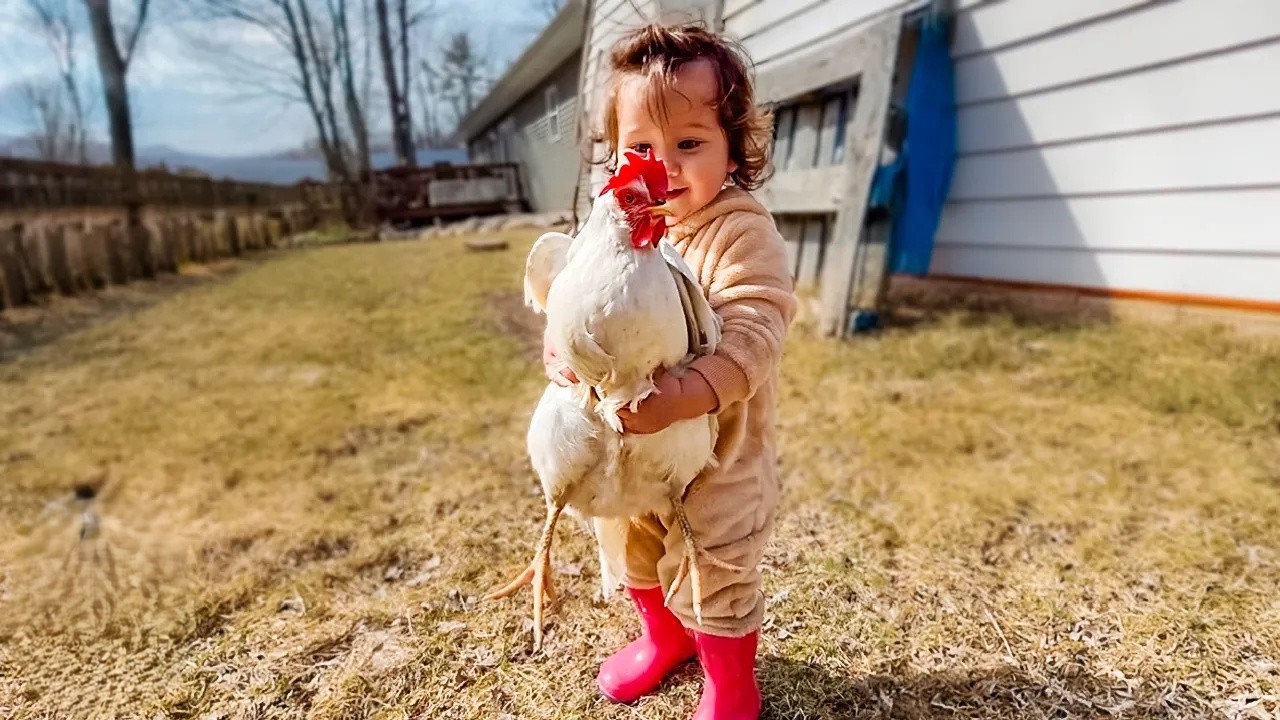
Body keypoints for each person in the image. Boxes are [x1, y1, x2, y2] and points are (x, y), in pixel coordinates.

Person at [542, 20, 797, 720]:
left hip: (720, 453)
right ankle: (664, 639)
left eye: (689, 144)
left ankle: (730, 682)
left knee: (715, 561)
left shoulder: (740, 231)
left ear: (733, 147)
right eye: (641, 148)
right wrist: (562, 351)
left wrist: (687, 392)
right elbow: (575, 300)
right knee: (631, 544)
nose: (665, 168)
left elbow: (756, 332)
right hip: (631, 448)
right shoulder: (616, 223)